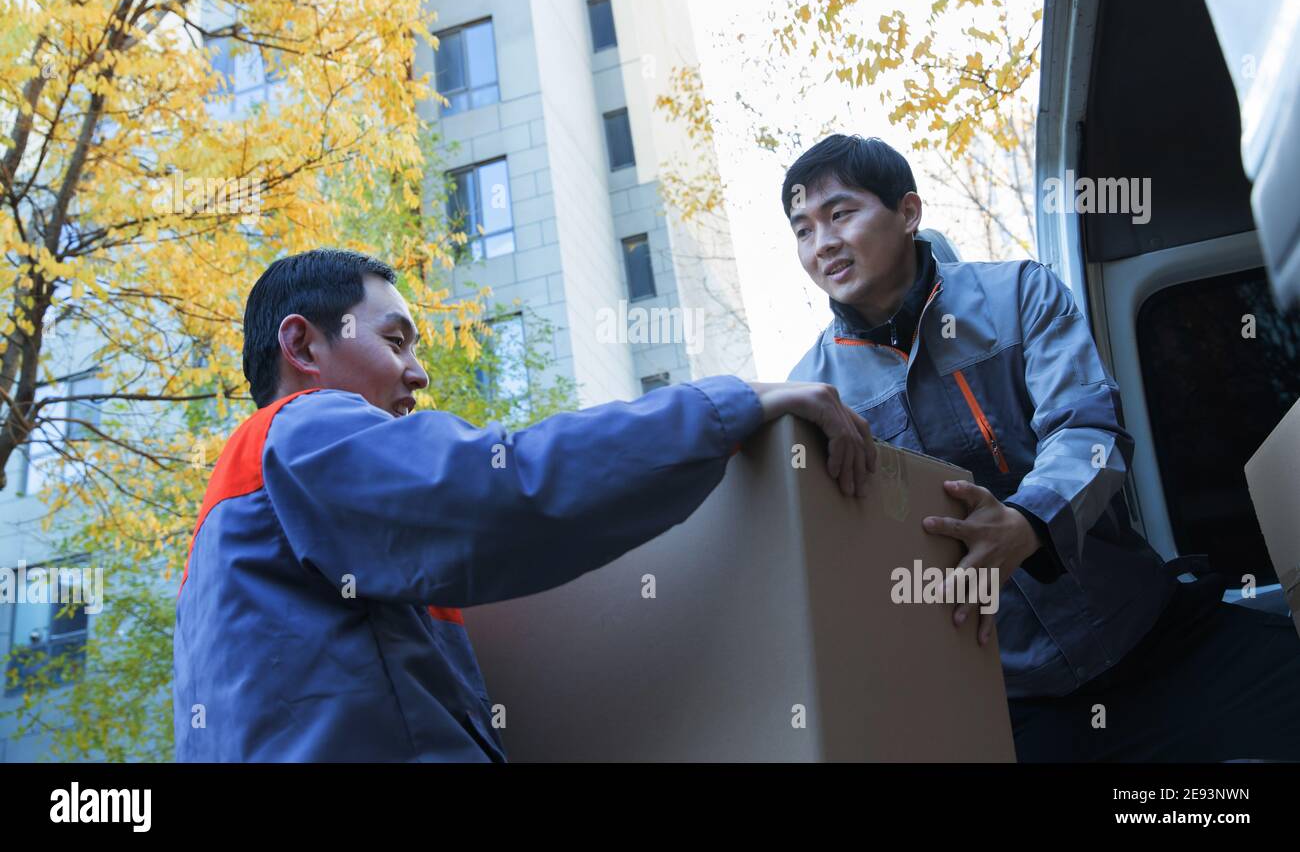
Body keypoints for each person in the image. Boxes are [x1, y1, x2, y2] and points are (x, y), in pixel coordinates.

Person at [173, 247, 875, 761]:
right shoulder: (302, 434)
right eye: (394, 341)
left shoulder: (225, 539)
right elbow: (510, 490)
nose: (418, 374)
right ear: (301, 344)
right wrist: (732, 406)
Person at [783, 134, 1300, 761]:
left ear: (909, 212)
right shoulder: (814, 395)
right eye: (803, 229)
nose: (823, 243)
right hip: (1015, 705)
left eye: (840, 214)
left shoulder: (1019, 294)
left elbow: (1089, 429)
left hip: (1151, 634)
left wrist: (1029, 522)